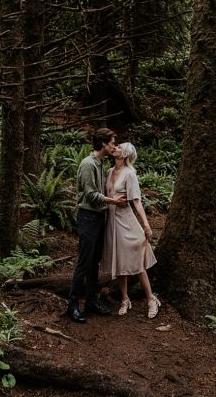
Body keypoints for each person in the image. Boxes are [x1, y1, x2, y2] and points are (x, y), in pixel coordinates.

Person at [67, 128, 126, 323]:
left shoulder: (100, 164)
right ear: (103, 143)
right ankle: (73, 305)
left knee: (94, 264)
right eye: (111, 142)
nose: (114, 146)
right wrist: (113, 201)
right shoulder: (88, 164)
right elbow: (91, 195)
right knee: (84, 263)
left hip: (99, 218)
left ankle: (91, 301)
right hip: (88, 218)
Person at [103, 142, 159, 319]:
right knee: (118, 262)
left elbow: (136, 201)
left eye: (119, 147)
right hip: (111, 222)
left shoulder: (130, 174)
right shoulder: (110, 172)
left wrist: (146, 225)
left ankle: (151, 298)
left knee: (136, 261)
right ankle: (125, 299)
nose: (115, 148)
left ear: (125, 154)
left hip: (126, 221)